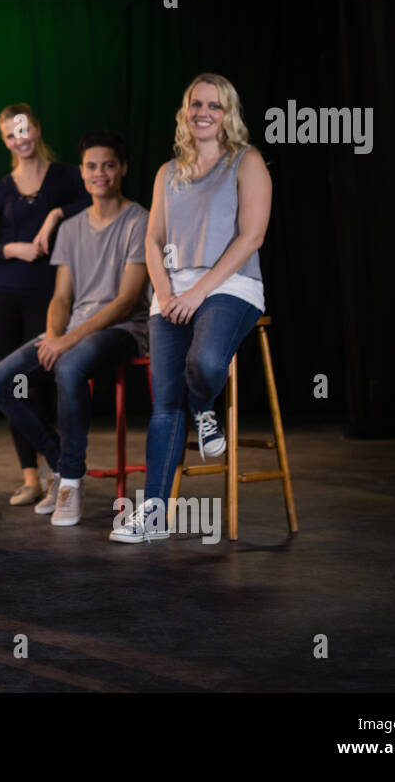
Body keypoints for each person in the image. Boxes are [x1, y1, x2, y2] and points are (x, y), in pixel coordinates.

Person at [110, 73, 270, 543]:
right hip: (174, 295)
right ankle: (154, 514)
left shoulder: (247, 161)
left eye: (214, 106)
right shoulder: (167, 172)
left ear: (228, 114)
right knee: (164, 405)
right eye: (195, 103)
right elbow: (153, 238)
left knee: (202, 364)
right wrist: (164, 293)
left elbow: (252, 236)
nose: (204, 112)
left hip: (230, 287)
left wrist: (198, 293)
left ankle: (204, 408)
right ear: (185, 112)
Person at [0, 131, 149, 526]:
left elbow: (126, 301)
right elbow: (61, 298)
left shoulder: (139, 220)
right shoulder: (73, 227)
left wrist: (67, 342)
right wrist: (55, 336)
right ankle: (60, 465)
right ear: (82, 172)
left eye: (108, 165)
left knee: (70, 365)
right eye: (92, 166)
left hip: (123, 330)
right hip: (73, 330)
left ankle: (72, 481)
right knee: (0, 380)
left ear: (122, 169)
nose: (100, 173)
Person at [0, 103, 90, 505]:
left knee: (43, 381)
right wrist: (15, 248)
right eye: (10, 135)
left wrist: (56, 214)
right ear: (5, 141)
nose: (20, 139)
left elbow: (101, 201)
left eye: (24, 130)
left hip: (49, 293)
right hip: (0, 294)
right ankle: (31, 476)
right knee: (11, 384)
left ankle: (59, 470)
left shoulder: (67, 177)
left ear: (36, 128)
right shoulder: (2, 189)